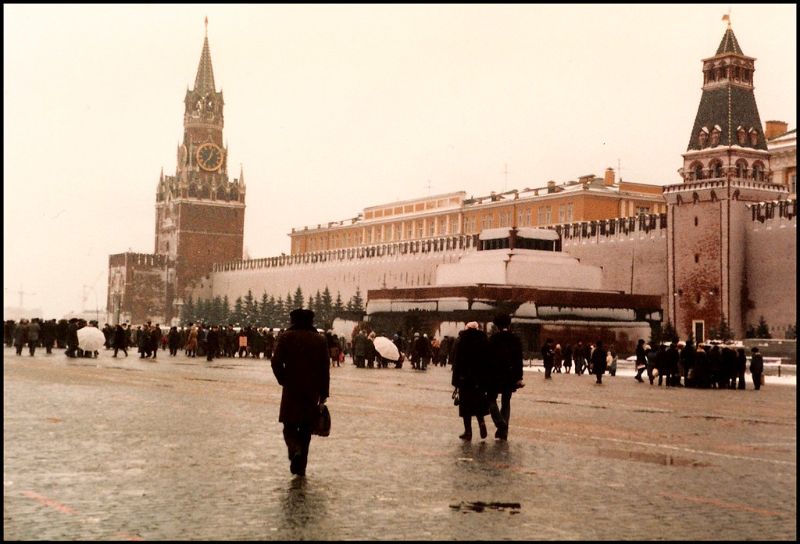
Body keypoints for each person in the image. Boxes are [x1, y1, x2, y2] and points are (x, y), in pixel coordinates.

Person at [271, 309, 330, 477]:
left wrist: (283, 379)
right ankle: (301, 467)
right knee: (306, 429)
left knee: (288, 426)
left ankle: (294, 450)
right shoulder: (320, 340)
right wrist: (323, 392)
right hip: (311, 391)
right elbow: (325, 368)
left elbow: (275, 362)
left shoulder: (286, 337)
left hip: (291, 389)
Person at [487, 314, 524, 441]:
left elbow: (488, 359)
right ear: (509, 325)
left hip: (494, 375)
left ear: (497, 326)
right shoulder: (515, 339)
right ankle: (504, 431)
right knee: (506, 401)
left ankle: (500, 424)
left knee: (491, 400)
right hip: (510, 375)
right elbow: (519, 360)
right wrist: (519, 377)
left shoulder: (493, 339)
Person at [451, 321, 491, 440]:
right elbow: (487, 360)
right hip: (479, 378)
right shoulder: (484, 341)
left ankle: (468, 432)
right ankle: (482, 423)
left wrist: (455, 381)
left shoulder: (462, 340)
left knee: (466, 406)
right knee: (479, 404)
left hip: (465, 378)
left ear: (467, 328)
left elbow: (457, 361)